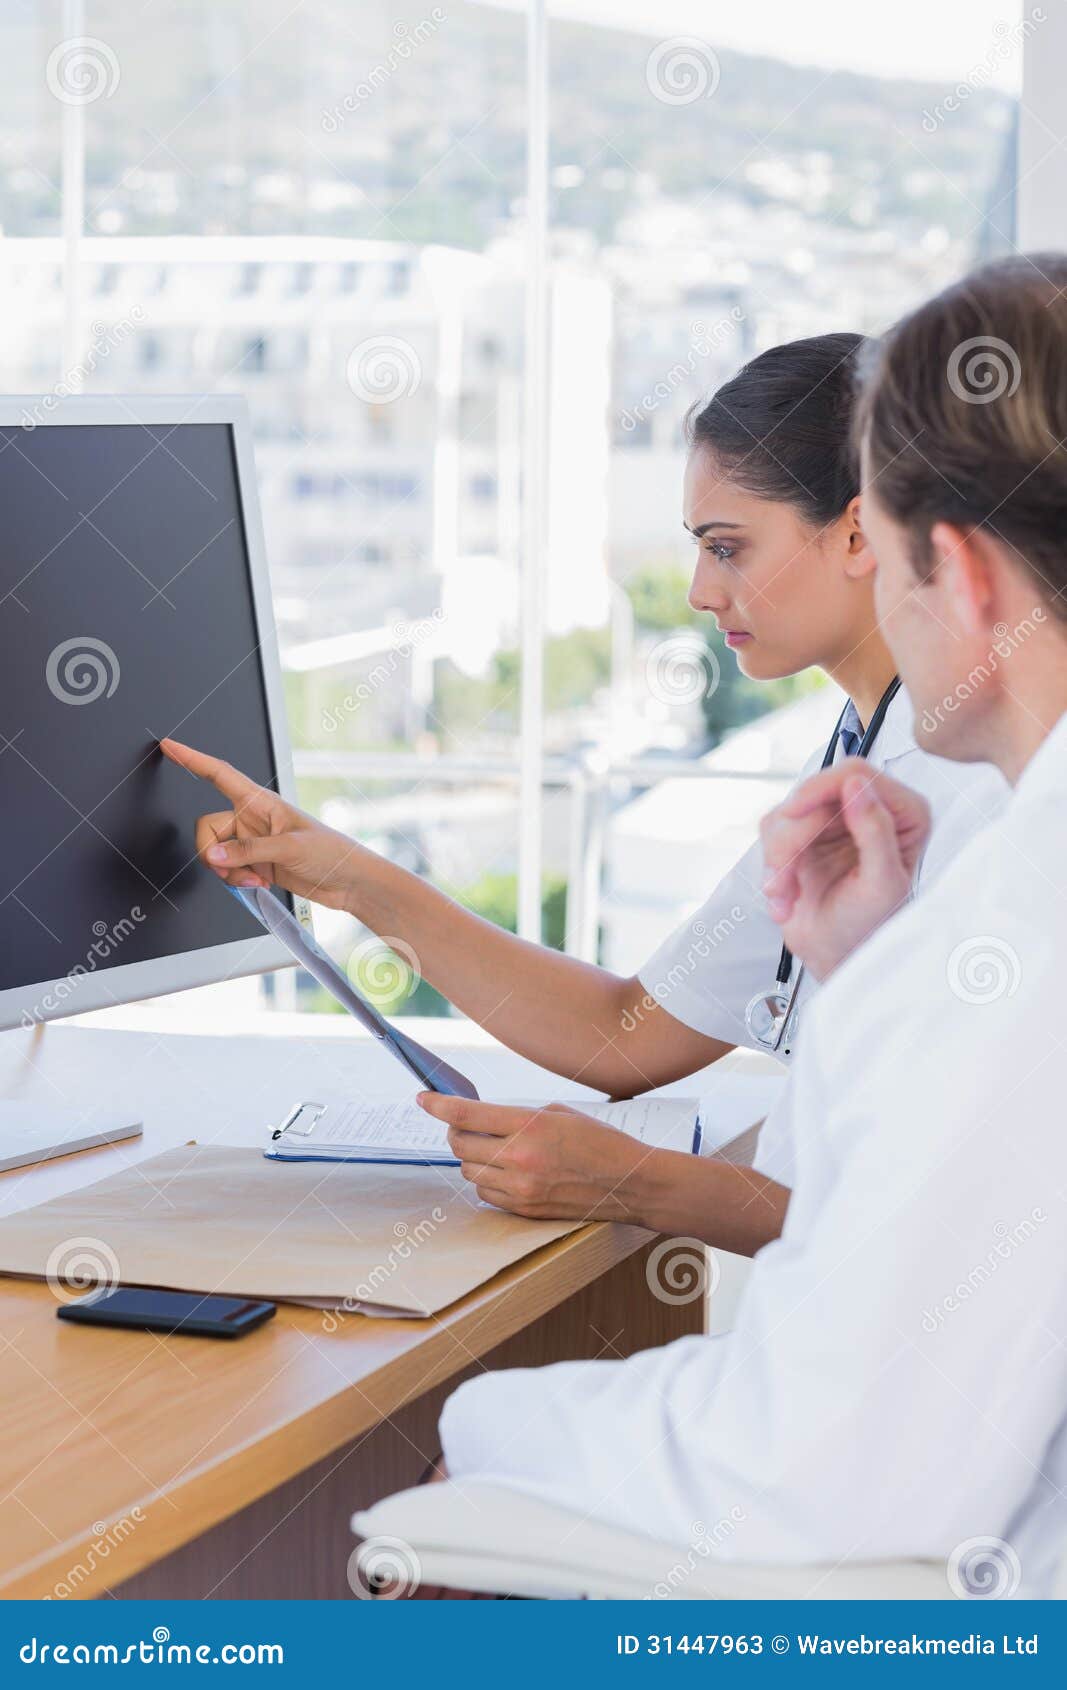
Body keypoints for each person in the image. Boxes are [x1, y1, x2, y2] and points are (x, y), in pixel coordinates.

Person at [423, 254, 1067, 1596]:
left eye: (886, 559)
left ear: (943, 567)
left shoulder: (1005, 925)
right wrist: (872, 980)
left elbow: (818, 1469)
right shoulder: (962, 892)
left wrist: (474, 1429)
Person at [162, 331, 1005, 1254]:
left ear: (854, 532)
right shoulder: (865, 744)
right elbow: (626, 1035)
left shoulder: (983, 784)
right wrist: (347, 876)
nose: (694, 591)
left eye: (727, 548)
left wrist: (635, 1183)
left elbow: (959, 1222)